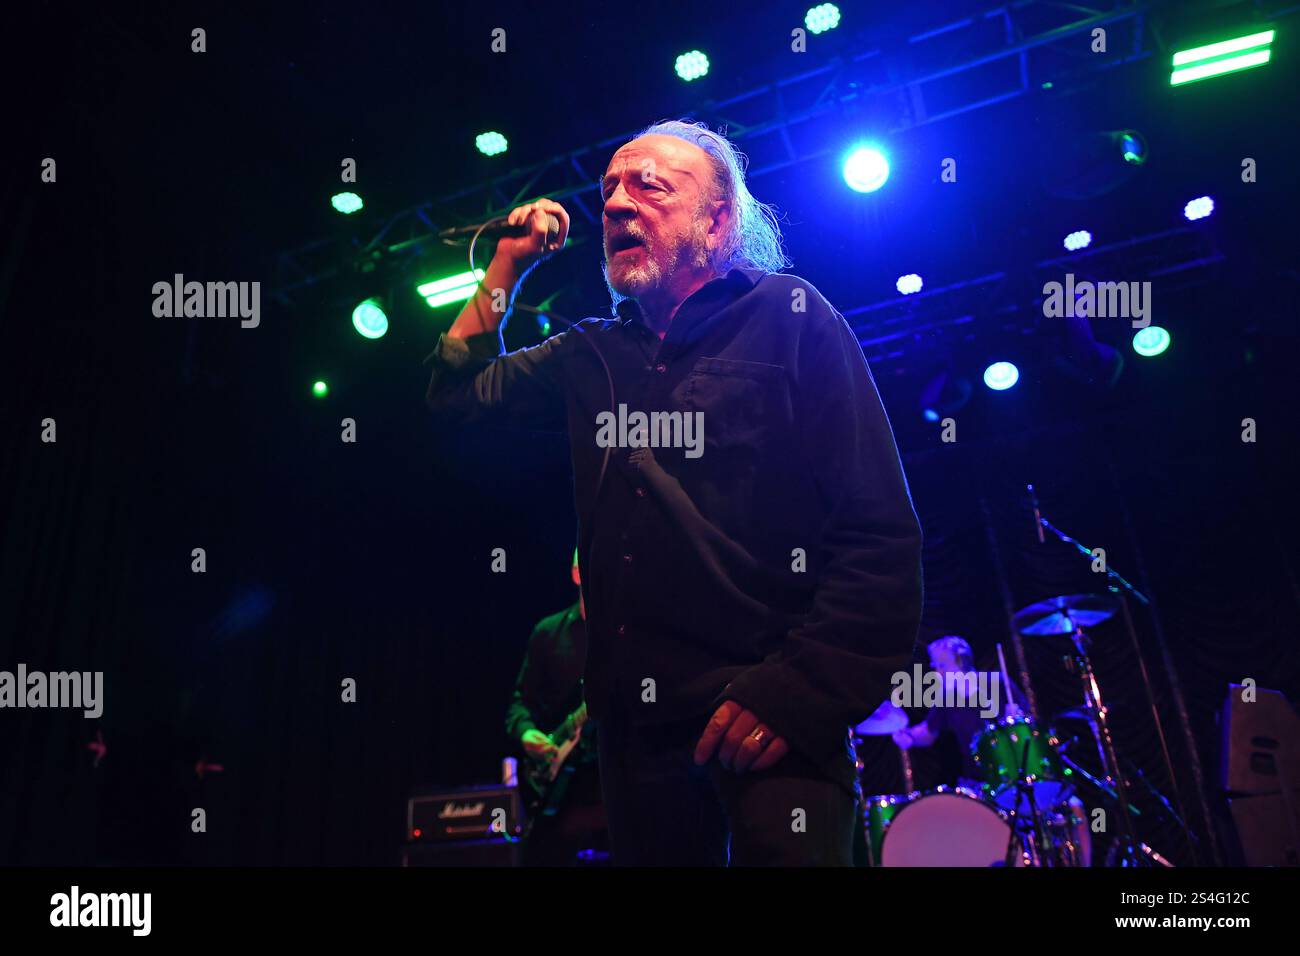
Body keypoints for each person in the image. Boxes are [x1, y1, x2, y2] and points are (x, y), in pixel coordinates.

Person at [425, 119, 923, 865]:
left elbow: (878, 534)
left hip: (767, 723)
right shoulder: (591, 352)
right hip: (635, 743)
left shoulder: (790, 316)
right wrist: (507, 263)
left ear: (717, 221)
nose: (616, 204)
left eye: (649, 186)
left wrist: (800, 692)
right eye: (609, 190)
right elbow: (455, 399)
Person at [893, 635, 1092, 866]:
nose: (935, 671)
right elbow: (928, 732)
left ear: (961, 662)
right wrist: (906, 735)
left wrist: (1016, 715)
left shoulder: (996, 683)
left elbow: (1026, 724)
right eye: (934, 665)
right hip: (979, 784)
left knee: (1074, 806)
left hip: (1018, 776)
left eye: (941, 665)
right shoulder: (946, 697)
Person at [505, 550, 607, 866]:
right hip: (559, 793)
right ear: (575, 573)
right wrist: (527, 734)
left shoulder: (626, 637)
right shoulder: (548, 633)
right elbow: (519, 705)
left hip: (613, 783)